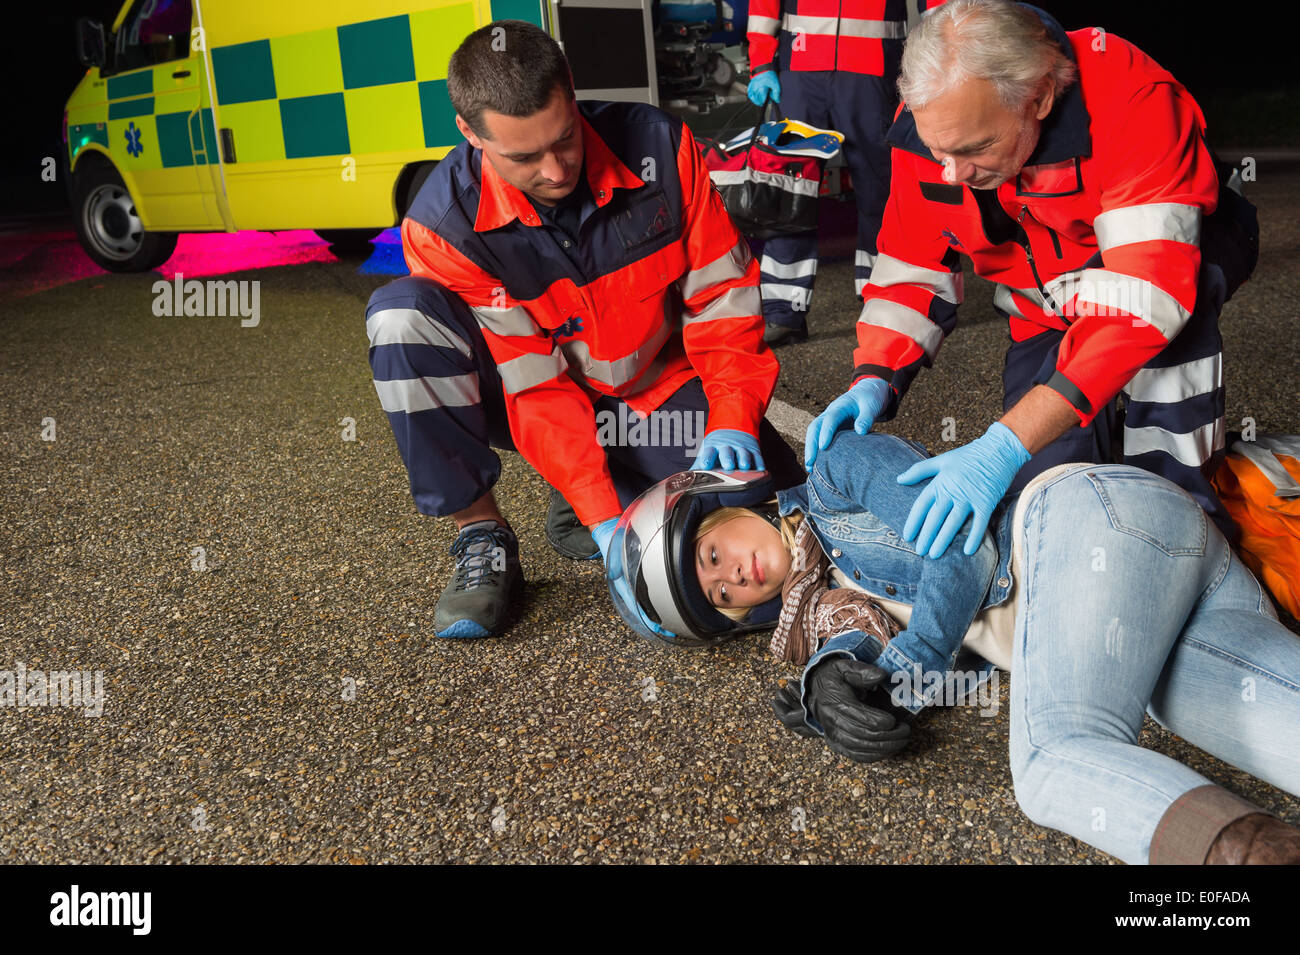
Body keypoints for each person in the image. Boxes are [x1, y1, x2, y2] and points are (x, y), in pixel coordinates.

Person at [604, 429, 1300, 864]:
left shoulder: (838, 472)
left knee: (1054, 757)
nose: (733, 574)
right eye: (719, 593)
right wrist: (831, 681)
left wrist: (912, 663)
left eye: (712, 552)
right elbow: (861, 640)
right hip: (1156, 581)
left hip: (1084, 520)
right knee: (1214, 705)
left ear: (724, 504)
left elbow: (962, 549)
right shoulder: (823, 604)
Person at [362, 20, 802, 639]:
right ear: (470, 133)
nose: (556, 168)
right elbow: (535, 383)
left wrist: (732, 415)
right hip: (529, 392)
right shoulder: (445, 227)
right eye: (524, 157)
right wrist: (604, 514)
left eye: (565, 138)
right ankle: (482, 532)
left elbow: (725, 304)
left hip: (652, 387)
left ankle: (598, 483)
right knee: (400, 317)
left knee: (778, 510)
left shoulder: (664, 152)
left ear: (572, 91)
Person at [806, 0, 1255, 563]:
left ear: (1040, 97)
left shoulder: (1128, 96)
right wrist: (874, 375)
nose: (950, 172)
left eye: (974, 151)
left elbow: (1145, 299)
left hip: (1163, 270)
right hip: (1047, 300)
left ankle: (1191, 534)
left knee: (1165, 453)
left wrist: (1004, 441)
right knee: (1044, 492)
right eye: (937, 151)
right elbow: (908, 268)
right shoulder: (941, 115)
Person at [745, 0, 948, 346]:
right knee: (792, 190)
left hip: (875, 72)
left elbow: (939, 6)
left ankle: (882, 295)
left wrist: (942, 58)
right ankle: (783, 310)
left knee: (880, 190)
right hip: (801, 71)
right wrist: (761, 63)